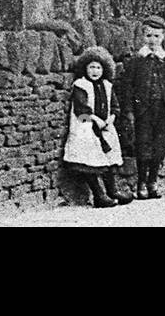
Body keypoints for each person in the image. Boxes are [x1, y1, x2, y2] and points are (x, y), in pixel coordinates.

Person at [119, 15, 165, 200]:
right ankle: (141, 184)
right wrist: (129, 110)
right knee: (143, 145)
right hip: (143, 109)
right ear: (143, 37)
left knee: (159, 146)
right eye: (148, 36)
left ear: (163, 37)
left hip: (162, 109)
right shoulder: (136, 61)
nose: (152, 40)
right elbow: (127, 86)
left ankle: (153, 181)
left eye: (156, 36)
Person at [62, 46, 131, 208]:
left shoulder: (107, 85)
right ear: (85, 68)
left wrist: (111, 118)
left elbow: (115, 106)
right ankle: (98, 195)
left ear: (104, 69)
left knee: (108, 158)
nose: (95, 71)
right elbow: (80, 110)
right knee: (90, 160)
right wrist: (94, 119)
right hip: (85, 126)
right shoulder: (81, 85)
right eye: (91, 67)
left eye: (99, 67)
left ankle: (112, 190)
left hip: (105, 127)